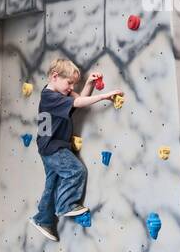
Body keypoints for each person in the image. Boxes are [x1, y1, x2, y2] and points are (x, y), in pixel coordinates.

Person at [30, 58, 121, 242]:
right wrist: (104, 96)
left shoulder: (57, 95)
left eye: (73, 84)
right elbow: (79, 103)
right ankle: (65, 205)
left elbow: (79, 100)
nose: (71, 87)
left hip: (48, 147)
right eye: (69, 82)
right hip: (52, 147)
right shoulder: (49, 97)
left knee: (52, 184)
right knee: (76, 171)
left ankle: (43, 219)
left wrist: (89, 84)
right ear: (55, 77)